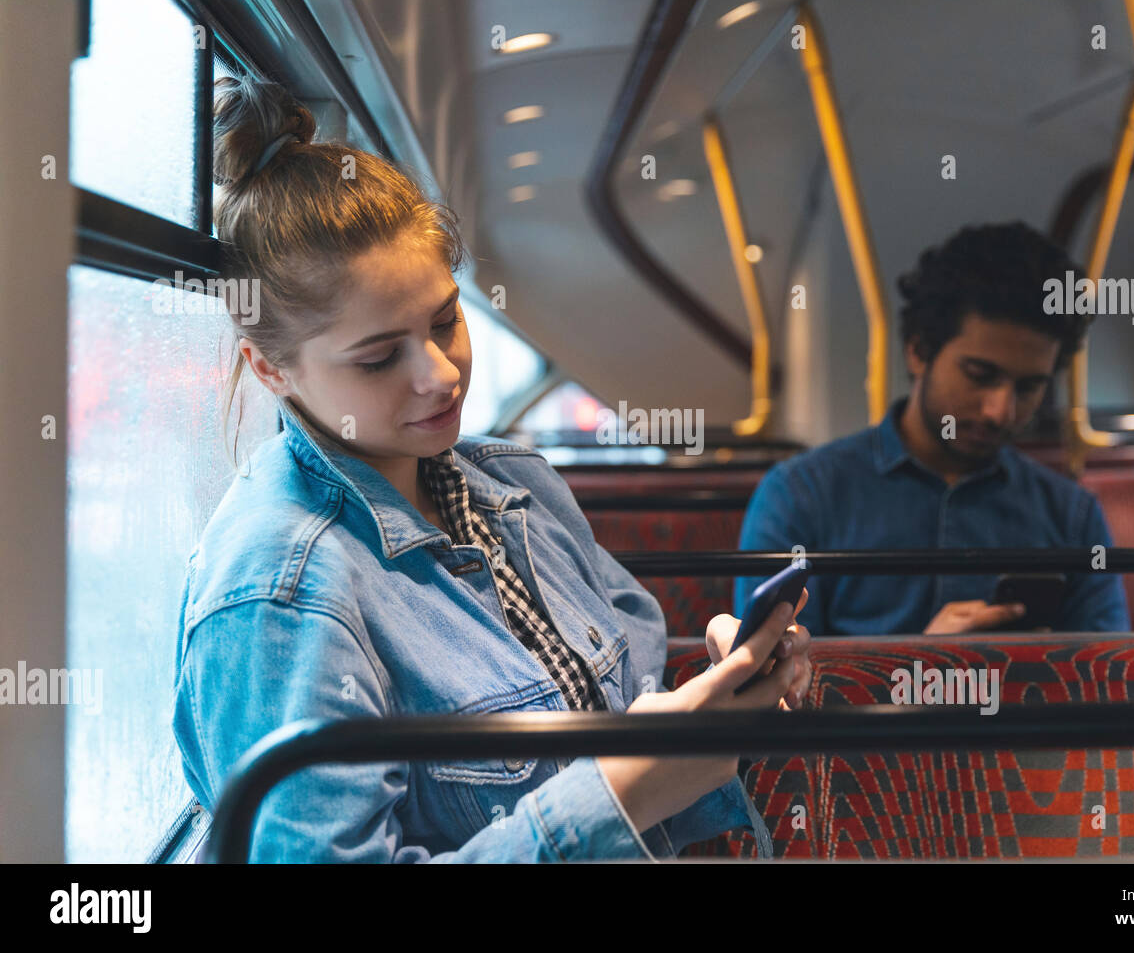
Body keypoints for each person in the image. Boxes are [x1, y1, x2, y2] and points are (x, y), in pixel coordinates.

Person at [172, 77, 812, 863]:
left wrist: (713, 683)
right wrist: (625, 792)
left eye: (446, 320)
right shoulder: (281, 593)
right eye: (379, 359)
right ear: (271, 371)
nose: (441, 375)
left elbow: (611, 694)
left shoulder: (516, 484)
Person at [735, 222, 1130, 636]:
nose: (1000, 412)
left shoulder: (1072, 515)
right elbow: (773, 687)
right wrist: (924, 665)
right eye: (979, 375)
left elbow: (1108, 680)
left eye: (1029, 387)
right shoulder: (801, 497)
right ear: (919, 352)